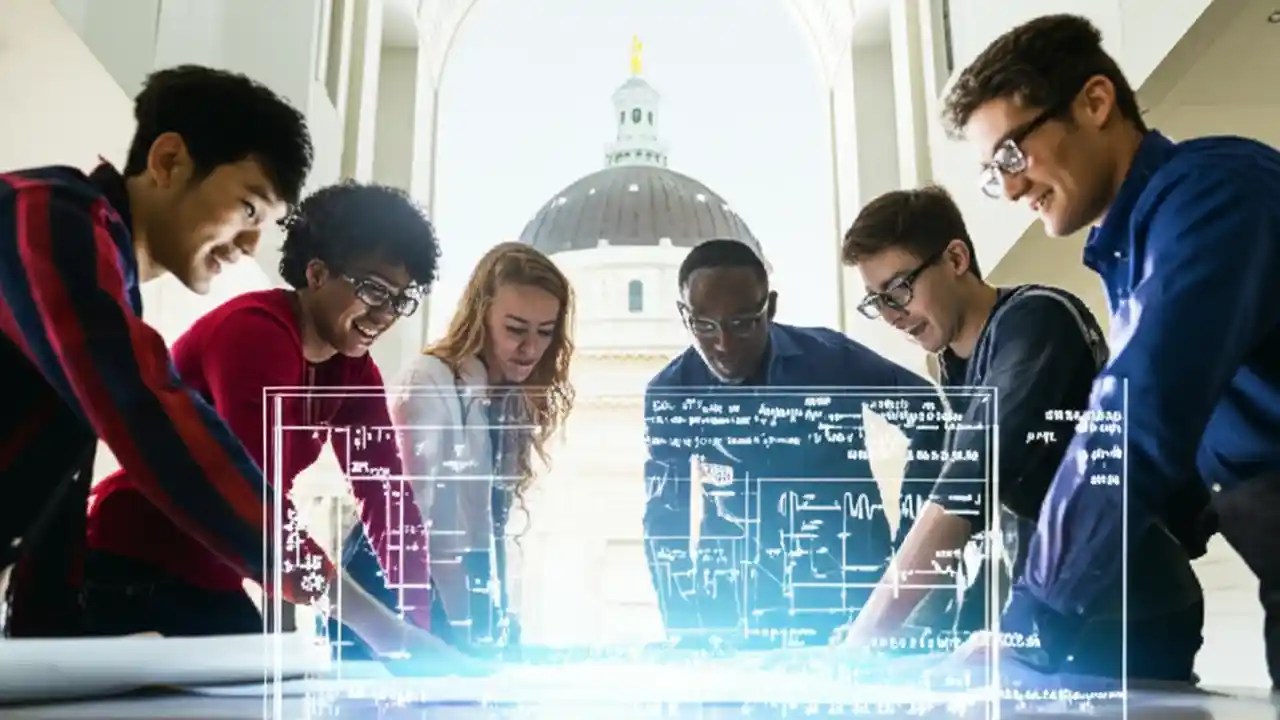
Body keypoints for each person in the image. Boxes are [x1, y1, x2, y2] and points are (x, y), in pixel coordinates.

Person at [943, 14, 1280, 684]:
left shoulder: (1213, 195)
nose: (1009, 188)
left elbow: (1137, 419)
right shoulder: (1131, 252)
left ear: (1095, 102)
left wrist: (1033, 619)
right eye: (992, 173)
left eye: (1011, 155)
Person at [0, 64, 331, 637]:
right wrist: (314, 576)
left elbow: (55, 493)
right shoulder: (43, 215)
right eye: (250, 208)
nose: (252, 245)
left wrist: (45, 643)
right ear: (170, 161)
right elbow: (146, 408)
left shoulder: (107, 277)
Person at [837, 185, 1205, 680]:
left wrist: (865, 638)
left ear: (956, 257)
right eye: (876, 301)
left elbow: (968, 485)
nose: (891, 315)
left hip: (1128, 607)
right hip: (1052, 610)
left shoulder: (1040, 320)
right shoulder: (951, 362)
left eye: (899, 290)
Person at [81, 181, 458, 661]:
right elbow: (253, 505)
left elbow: (389, 505)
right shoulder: (254, 335)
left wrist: (423, 633)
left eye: (401, 298)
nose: (386, 313)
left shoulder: (355, 374)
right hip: (131, 560)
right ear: (317, 273)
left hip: (215, 570)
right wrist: (388, 633)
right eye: (372, 289)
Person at [642, 238, 946, 649]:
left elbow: (928, 413)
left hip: (847, 594)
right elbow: (665, 517)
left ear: (770, 308)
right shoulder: (672, 392)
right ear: (684, 315)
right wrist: (685, 629)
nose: (723, 345)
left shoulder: (830, 359)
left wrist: (910, 548)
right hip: (735, 612)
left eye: (741, 323)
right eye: (704, 325)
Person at [369, 241, 575, 655]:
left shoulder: (511, 399)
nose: (531, 349)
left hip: (455, 601)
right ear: (482, 316)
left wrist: (495, 616)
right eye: (515, 329)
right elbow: (417, 526)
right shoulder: (428, 381)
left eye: (545, 332)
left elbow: (489, 528)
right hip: (402, 602)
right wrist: (468, 631)